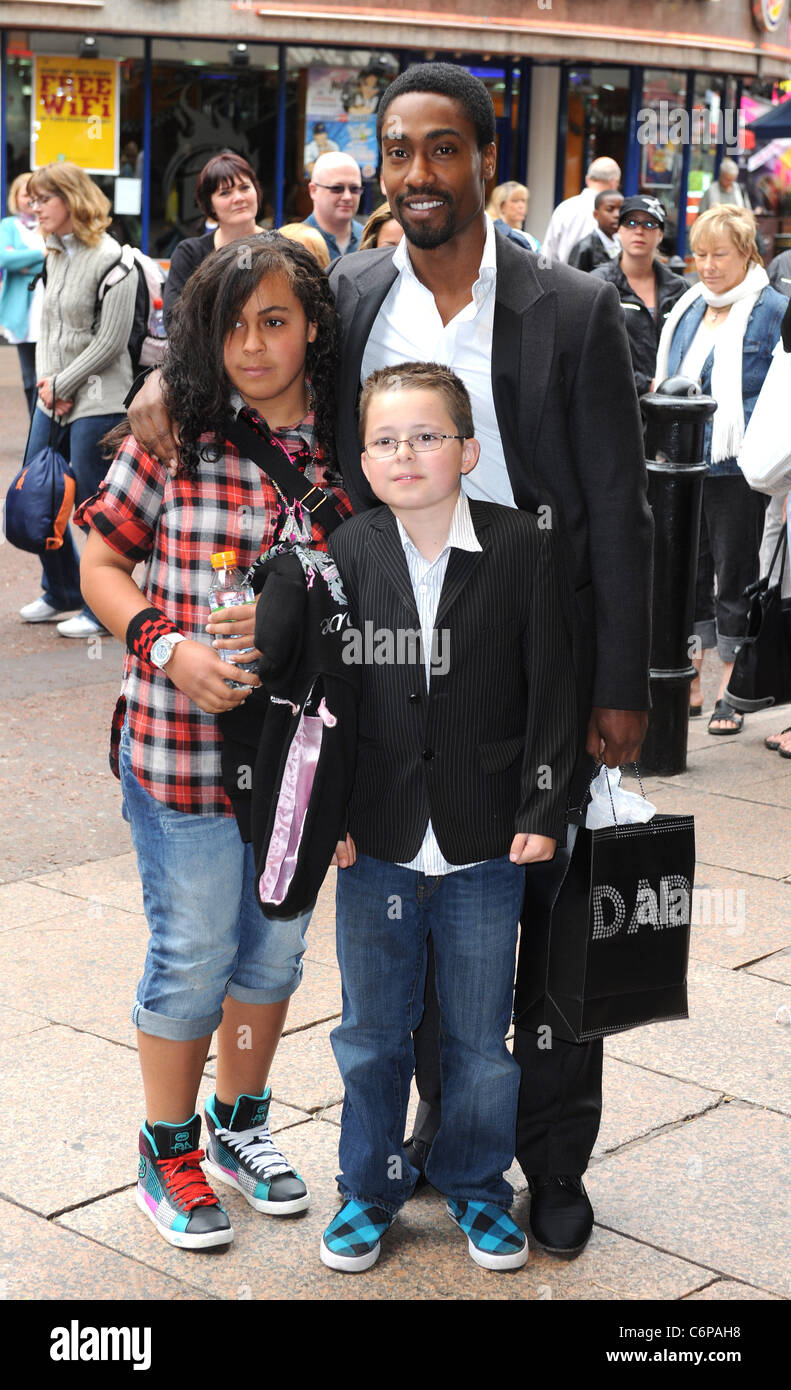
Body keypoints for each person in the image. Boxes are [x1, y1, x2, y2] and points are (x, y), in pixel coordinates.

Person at [124, 63, 652, 1257]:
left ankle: (548, 1164)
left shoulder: (568, 308)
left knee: (543, 923)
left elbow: (620, 508)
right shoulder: (352, 288)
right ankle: (415, 1157)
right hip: (387, 648)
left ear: (482, 159)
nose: (418, 174)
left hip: (535, 647)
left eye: (443, 151)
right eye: (398, 152)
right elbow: (247, 345)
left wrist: (619, 686)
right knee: (419, 912)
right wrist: (164, 388)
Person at [76, 234, 351, 1251]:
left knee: (271, 952)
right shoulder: (175, 434)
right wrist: (168, 644)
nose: (252, 345)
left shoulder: (351, 439)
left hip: (301, 762)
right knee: (193, 949)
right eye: (231, 325)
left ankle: (239, 1125)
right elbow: (100, 556)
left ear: (312, 326)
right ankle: (166, 1145)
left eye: (274, 321)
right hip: (181, 747)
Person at [319, 361, 576, 1273]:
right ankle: (370, 1187)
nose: (406, 453)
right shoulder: (348, 552)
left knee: (478, 1036)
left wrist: (547, 801)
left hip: (484, 837)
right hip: (376, 839)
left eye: (426, 435)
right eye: (386, 440)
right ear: (363, 459)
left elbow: (553, 687)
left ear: (467, 450)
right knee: (371, 1031)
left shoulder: (519, 547)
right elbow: (331, 696)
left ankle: (474, 1185)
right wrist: (329, 817)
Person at [655, 205, 786, 732]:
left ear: (747, 253)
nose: (706, 266)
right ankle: (692, 675)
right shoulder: (688, 305)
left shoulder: (773, 308)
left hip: (738, 466)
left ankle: (733, 685)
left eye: (719, 255)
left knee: (735, 572)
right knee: (686, 572)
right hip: (682, 463)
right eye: (700, 254)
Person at [18, 162, 137, 639]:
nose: (34, 207)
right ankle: (62, 590)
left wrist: (63, 383)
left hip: (100, 398)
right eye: (32, 198)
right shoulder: (55, 254)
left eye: (43, 198)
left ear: (72, 200)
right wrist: (50, 383)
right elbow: (47, 329)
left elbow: (110, 341)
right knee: (38, 496)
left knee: (93, 505)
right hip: (55, 395)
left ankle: (103, 606)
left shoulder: (114, 259)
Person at [591, 195, 687, 395]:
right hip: (616, 403)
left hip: (669, 405)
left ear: (660, 234)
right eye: (631, 222)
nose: (639, 231)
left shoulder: (680, 289)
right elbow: (592, 352)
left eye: (649, 224)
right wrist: (645, 385)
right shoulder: (597, 285)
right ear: (619, 230)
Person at [163, 152, 265, 328]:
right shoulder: (190, 254)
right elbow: (174, 322)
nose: (238, 198)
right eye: (225, 192)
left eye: (245, 188)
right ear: (209, 205)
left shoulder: (282, 247)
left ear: (256, 190)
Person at [0, 172, 46, 417]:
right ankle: (34, 432)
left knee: (47, 378)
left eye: (35, 194)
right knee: (30, 378)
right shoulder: (8, 226)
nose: (30, 199)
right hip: (23, 315)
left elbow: (59, 259)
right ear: (15, 197)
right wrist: (42, 255)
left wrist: (24, 264)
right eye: (25, 193)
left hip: (49, 312)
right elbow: (5, 259)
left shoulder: (49, 222)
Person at [542, 156, 621, 263]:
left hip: (562, 276)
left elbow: (547, 254)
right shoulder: (615, 215)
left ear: (587, 179)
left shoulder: (564, 208)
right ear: (613, 182)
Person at [304, 152, 365, 262]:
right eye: (337, 188)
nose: (347, 197)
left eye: (354, 188)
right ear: (313, 190)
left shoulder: (370, 239)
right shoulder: (295, 244)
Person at [568, 190, 623, 272]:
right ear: (596, 215)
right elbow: (573, 280)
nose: (617, 215)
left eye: (621, 209)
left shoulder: (622, 243)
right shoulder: (584, 247)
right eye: (610, 209)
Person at [486, 181, 539, 250]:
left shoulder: (522, 235)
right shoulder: (491, 230)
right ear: (501, 206)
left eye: (523, 200)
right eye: (515, 201)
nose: (521, 206)